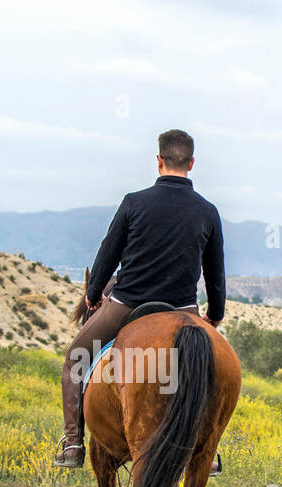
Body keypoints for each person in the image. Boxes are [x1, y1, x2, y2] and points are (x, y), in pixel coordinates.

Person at [54, 129, 226, 468]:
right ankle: (209, 448)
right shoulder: (208, 211)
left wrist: (92, 294)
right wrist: (215, 314)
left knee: (75, 360)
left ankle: (73, 443)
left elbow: (108, 254)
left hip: (127, 304)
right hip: (183, 310)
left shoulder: (134, 202)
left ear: (158, 161)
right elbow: (215, 274)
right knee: (214, 371)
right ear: (191, 163)